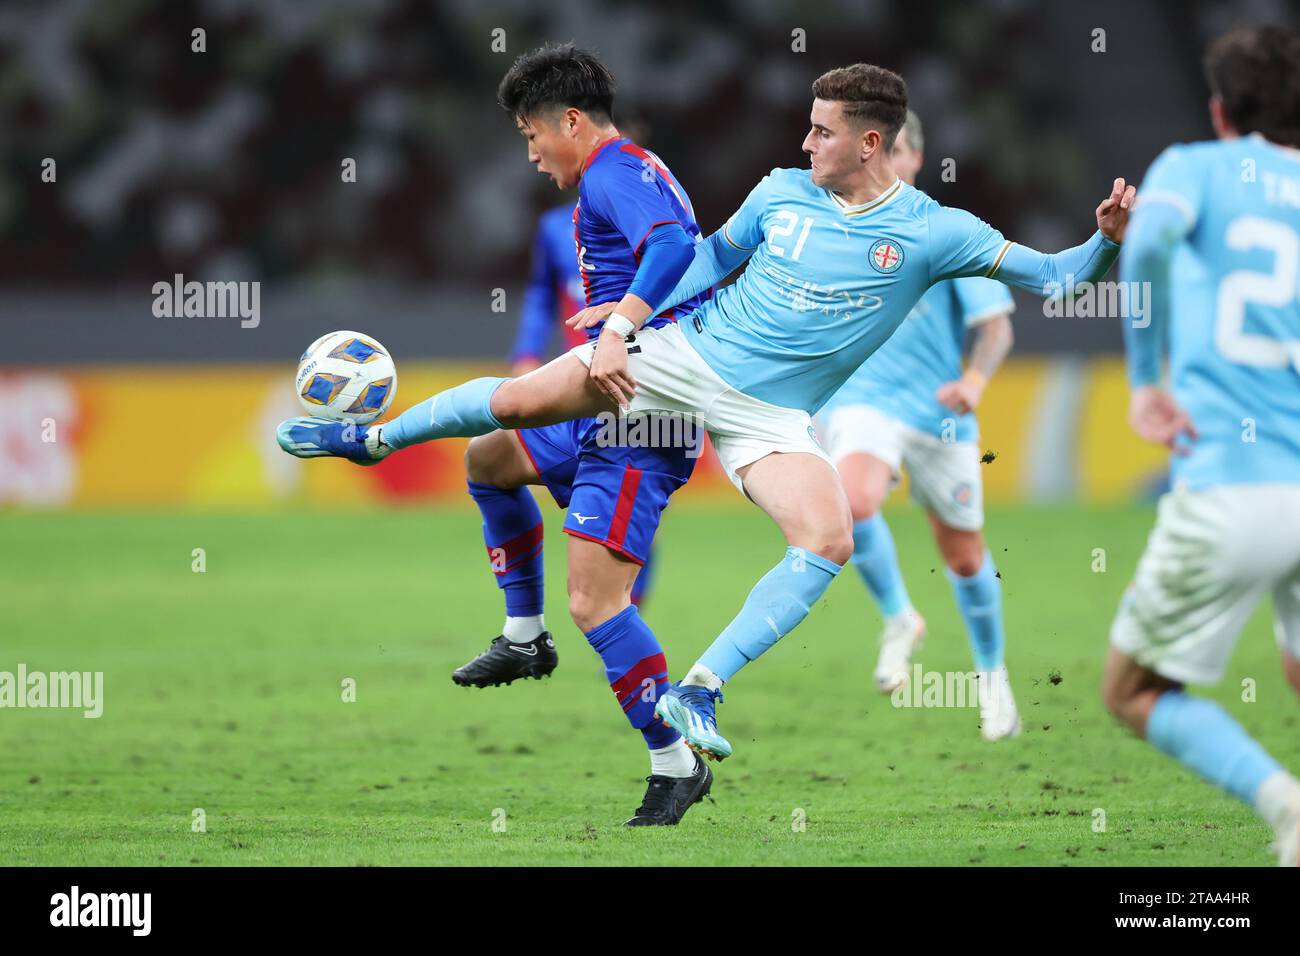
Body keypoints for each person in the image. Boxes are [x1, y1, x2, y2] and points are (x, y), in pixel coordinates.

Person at [279, 62, 1133, 767]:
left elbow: (1059, 280)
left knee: (828, 538)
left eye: (823, 131)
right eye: (806, 126)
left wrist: (1103, 241)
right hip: (687, 362)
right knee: (519, 402)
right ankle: (373, 438)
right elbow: (707, 258)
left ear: (871, 142)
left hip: (772, 417)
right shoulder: (779, 193)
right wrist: (623, 324)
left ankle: (699, 687)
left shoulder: (936, 231)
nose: (805, 142)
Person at [1101, 24, 1300, 866]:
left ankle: (1285, 806)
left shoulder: (1196, 167)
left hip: (1233, 485)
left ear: (1220, 110)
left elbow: (1146, 239)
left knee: (1133, 688)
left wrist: (1147, 378)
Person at [819, 110, 1019, 740]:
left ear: (914, 160)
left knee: (963, 557)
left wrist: (976, 381)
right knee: (852, 501)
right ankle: (899, 615)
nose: (882, 159)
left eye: (896, 149)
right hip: (863, 403)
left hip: (940, 416)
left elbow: (995, 325)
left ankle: (993, 680)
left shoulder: (948, 232)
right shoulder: (833, 226)